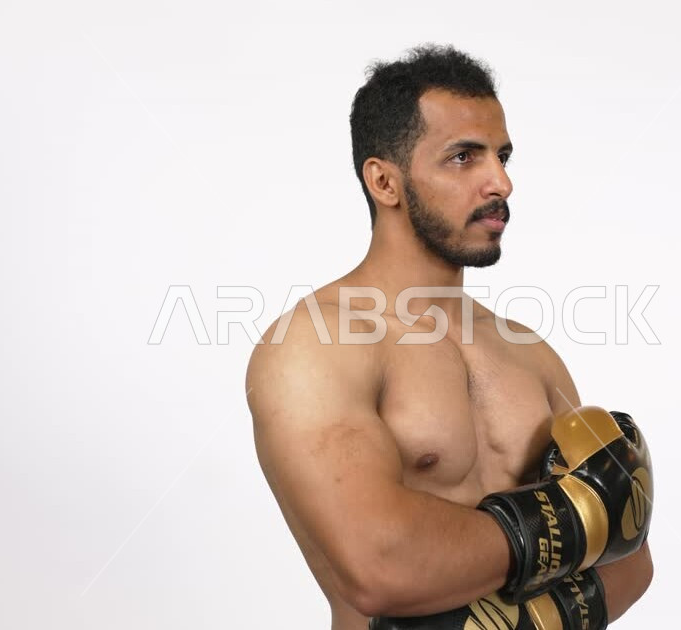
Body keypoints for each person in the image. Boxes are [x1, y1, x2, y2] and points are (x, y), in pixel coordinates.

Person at [246, 44, 654, 629]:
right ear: (384, 182)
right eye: (464, 157)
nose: (501, 182)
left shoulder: (528, 351)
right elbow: (381, 566)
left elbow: (631, 562)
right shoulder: (314, 346)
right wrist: (573, 519)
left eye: (502, 155)